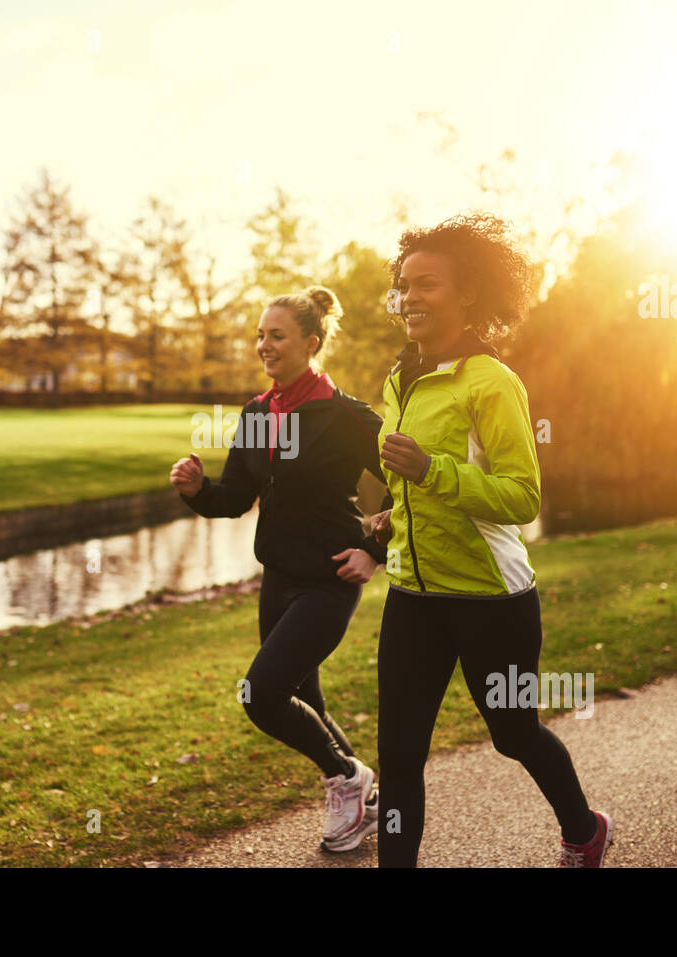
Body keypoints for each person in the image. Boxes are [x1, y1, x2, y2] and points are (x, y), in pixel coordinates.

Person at [370, 213, 614, 867]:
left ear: (467, 294)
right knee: (397, 754)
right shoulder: (400, 379)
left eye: (428, 284)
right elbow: (414, 491)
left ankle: (585, 828)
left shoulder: (491, 382)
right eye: (403, 285)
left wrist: (431, 470)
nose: (410, 296)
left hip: (489, 601)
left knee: (512, 733)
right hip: (413, 598)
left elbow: (521, 497)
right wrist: (393, 516)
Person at [169, 286, 392, 853]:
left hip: (329, 578)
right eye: (260, 335)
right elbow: (237, 496)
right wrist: (198, 490)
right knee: (303, 701)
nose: (263, 345)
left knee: (261, 694)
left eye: (277, 336)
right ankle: (365, 797)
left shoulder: (345, 415)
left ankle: (347, 780)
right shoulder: (257, 413)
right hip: (279, 578)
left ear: (310, 344)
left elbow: (410, 487)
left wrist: (376, 550)